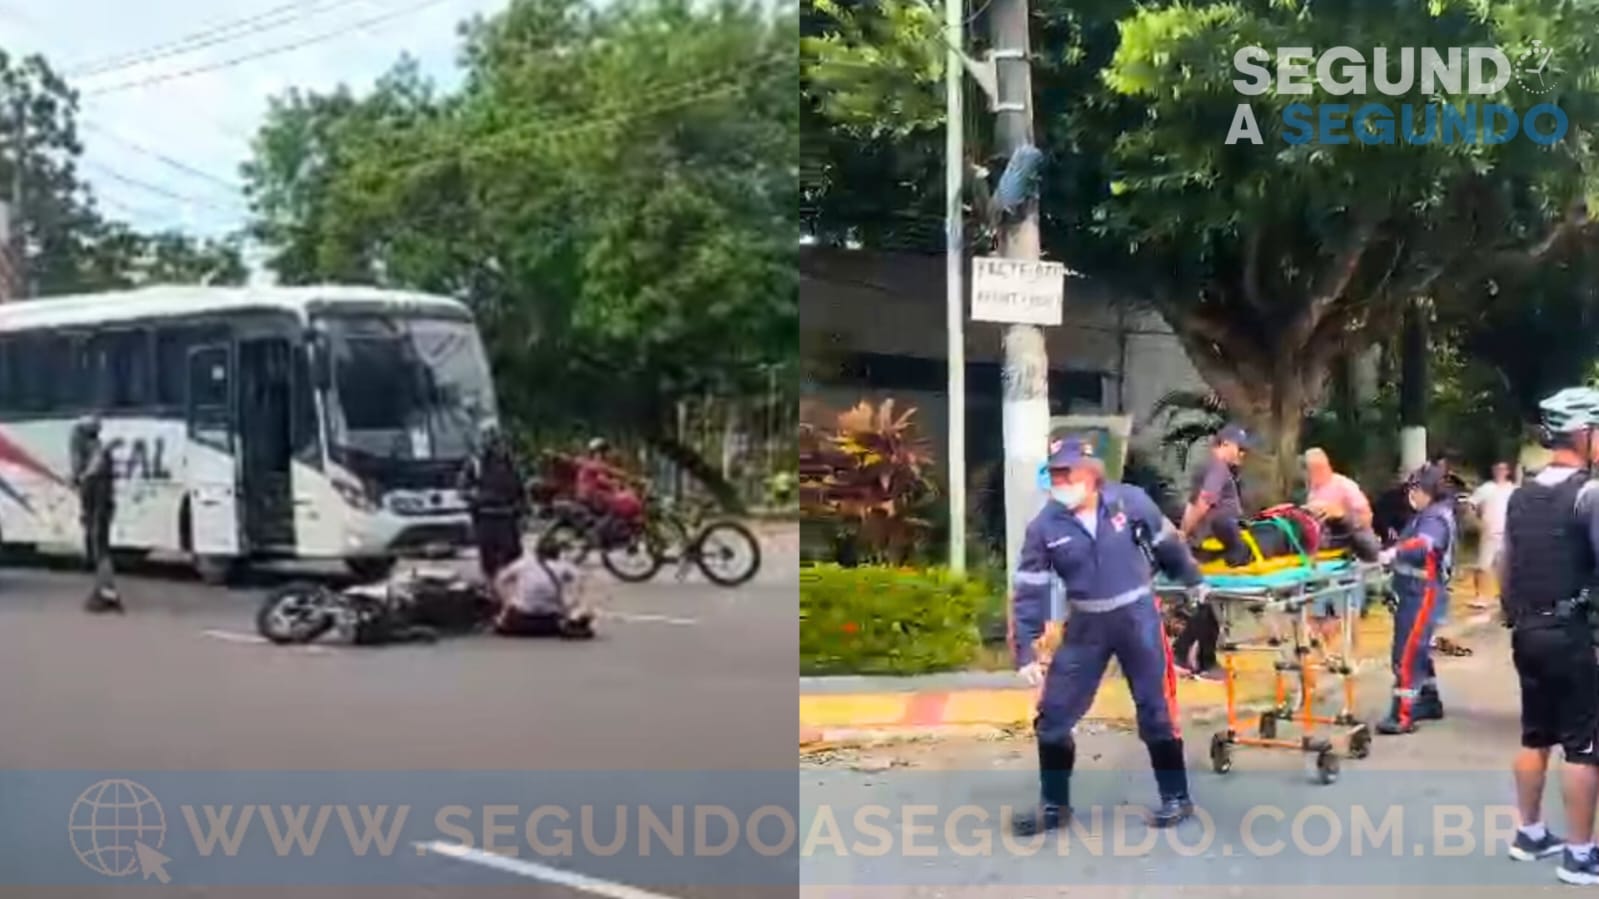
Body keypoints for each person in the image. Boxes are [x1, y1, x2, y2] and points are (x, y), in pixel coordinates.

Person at [1010, 436, 1209, 835]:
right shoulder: (1045, 527)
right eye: (1054, 474)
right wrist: (1025, 651)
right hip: (1087, 625)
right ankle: (1054, 806)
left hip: (1138, 618)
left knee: (1155, 709)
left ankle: (1177, 797)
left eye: (1067, 472)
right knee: (1053, 715)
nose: (1060, 481)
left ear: (1091, 473)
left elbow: (1167, 543)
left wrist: (1192, 579)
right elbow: (1030, 588)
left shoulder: (1129, 502)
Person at [1498, 386, 1599, 884]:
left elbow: (1506, 563)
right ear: (1583, 435)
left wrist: (1513, 615)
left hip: (1528, 630)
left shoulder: (1521, 494)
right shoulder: (1590, 494)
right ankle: (1579, 855)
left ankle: (1530, 833)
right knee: (1584, 746)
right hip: (1572, 632)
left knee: (1535, 733)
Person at [1375, 463, 1456, 735]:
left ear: (1427, 491)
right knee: (1417, 648)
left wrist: (1394, 553)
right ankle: (1428, 699)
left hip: (1421, 593)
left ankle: (1403, 714)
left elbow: (1424, 545)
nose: (1412, 495)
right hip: (1416, 590)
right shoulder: (1430, 514)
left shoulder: (1434, 518)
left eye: (1415, 489)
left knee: (1407, 652)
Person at [1172, 423, 1254, 677]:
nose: (1243, 455)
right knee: (1209, 601)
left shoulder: (1206, 466)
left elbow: (1192, 505)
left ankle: (1202, 659)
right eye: (1240, 449)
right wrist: (1185, 534)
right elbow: (1205, 501)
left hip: (1204, 542)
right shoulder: (1217, 468)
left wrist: (1184, 534)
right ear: (1225, 444)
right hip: (1216, 543)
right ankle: (1187, 655)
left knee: (1209, 602)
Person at [1303, 448, 1378, 651]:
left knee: (1349, 607)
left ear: (1325, 466)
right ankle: (1325, 653)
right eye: (1310, 470)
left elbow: (1366, 518)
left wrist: (1340, 514)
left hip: (1349, 552)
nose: (1313, 474)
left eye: (1315, 469)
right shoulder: (1313, 491)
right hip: (1324, 557)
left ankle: (1354, 652)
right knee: (1319, 609)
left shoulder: (1345, 486)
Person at [458, 422, 528, 582]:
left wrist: (523, 512)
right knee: (489, 564)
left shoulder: (511, 463)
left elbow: (521, 490)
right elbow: (462, 489)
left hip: (508, 519)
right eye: (495, 442)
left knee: (513, 561)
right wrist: (480, 497)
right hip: (486, 519)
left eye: (501, 442)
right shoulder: (475, 464)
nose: (500, 446)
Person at [492, 541, 596, 638]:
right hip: (550, 618)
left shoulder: (524, 563)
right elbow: (580, 578)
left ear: (537, 553)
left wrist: (506, 600)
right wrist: (573, 603)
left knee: (512, 601)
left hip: (523, 616)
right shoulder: (562, 566)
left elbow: (500, 579)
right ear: (557, 554)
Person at [71, 415, 121, 614]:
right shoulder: (99, 454)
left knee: (99, 550)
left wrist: (80, 478)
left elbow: (91, 483)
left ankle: (106, 594)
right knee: (100, 550)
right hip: (100, 509)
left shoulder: (95, 460)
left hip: (98, 511)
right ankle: (106, 592)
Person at [1467, 461, 1517, 604]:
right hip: (1489, 532)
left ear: (1507, 471)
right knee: (1483, 565)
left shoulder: (1513, 489)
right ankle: (1480, 596)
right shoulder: (1486, 488)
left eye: (1502, 469)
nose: (1499, 471)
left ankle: (1505, 596)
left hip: (1507, 533)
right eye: (1497, 469)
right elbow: (1470, 504)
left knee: (1506, 568)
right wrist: (1477, 522)